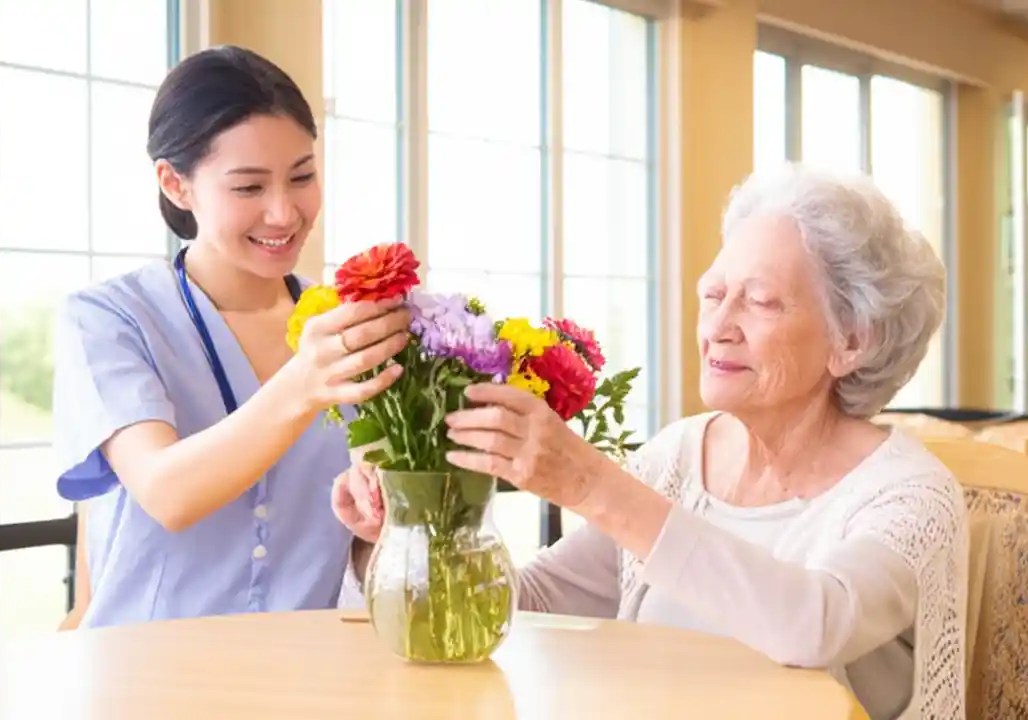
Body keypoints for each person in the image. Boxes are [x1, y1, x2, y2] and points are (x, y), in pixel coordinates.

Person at [336, 163, 967, 720]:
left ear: (851, 341)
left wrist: (588, 482)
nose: (719, 327)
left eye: (763, 303)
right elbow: (524, 605)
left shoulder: (910, 497)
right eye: (714, 295)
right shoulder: (680, 457)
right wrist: (403, 535)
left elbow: (816, 624)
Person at [52, 45, 408, 629]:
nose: (283, 213)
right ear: (175, 184)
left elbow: (372, 558)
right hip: (142, 684)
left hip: (302, 684)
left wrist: (381, 526)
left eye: (302, 177)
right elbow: (167, 493)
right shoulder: (108, 319)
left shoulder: (353, 327)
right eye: (248, 188)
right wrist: (305, 383)